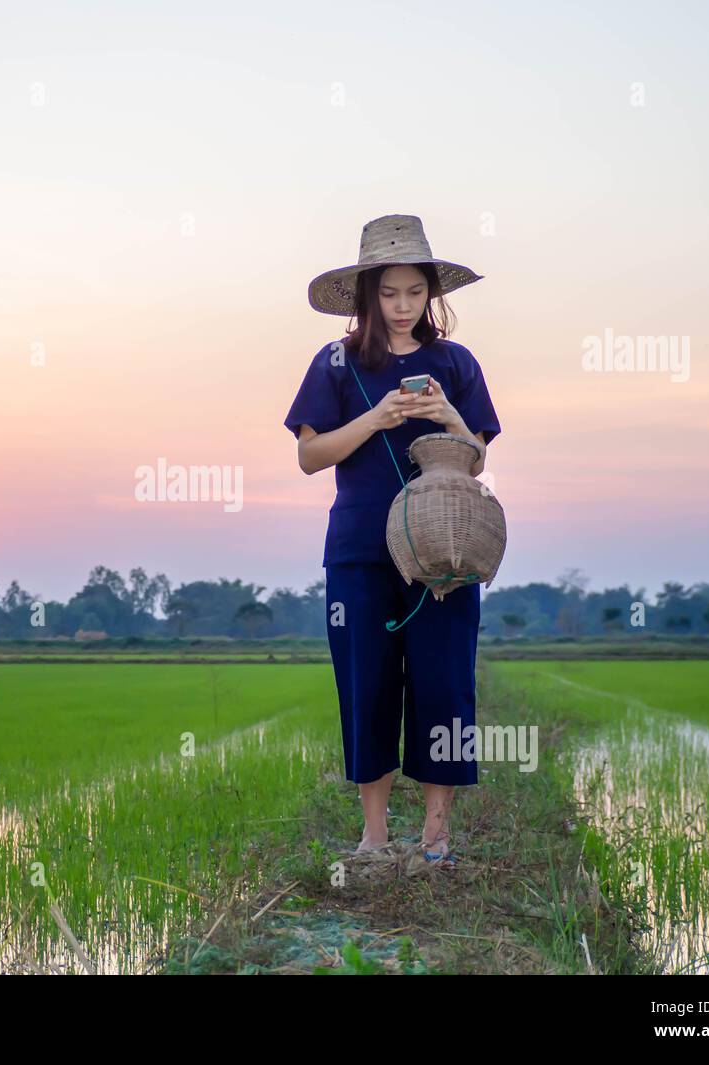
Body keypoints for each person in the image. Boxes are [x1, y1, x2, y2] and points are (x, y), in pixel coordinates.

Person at [283, 215, 501, 867]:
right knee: (366, 686)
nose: (404, 306)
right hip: (359, 550)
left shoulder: (456, 362)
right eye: (390, 292)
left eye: (415, 292)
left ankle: (435, 838)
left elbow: (478, 457)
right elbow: (310, 455)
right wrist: (376, 417)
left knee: (444, 687)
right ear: (367, 295)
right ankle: (374, 836)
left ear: (431, 294)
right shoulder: (336, 362)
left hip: (446, 550)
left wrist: (448, 415)